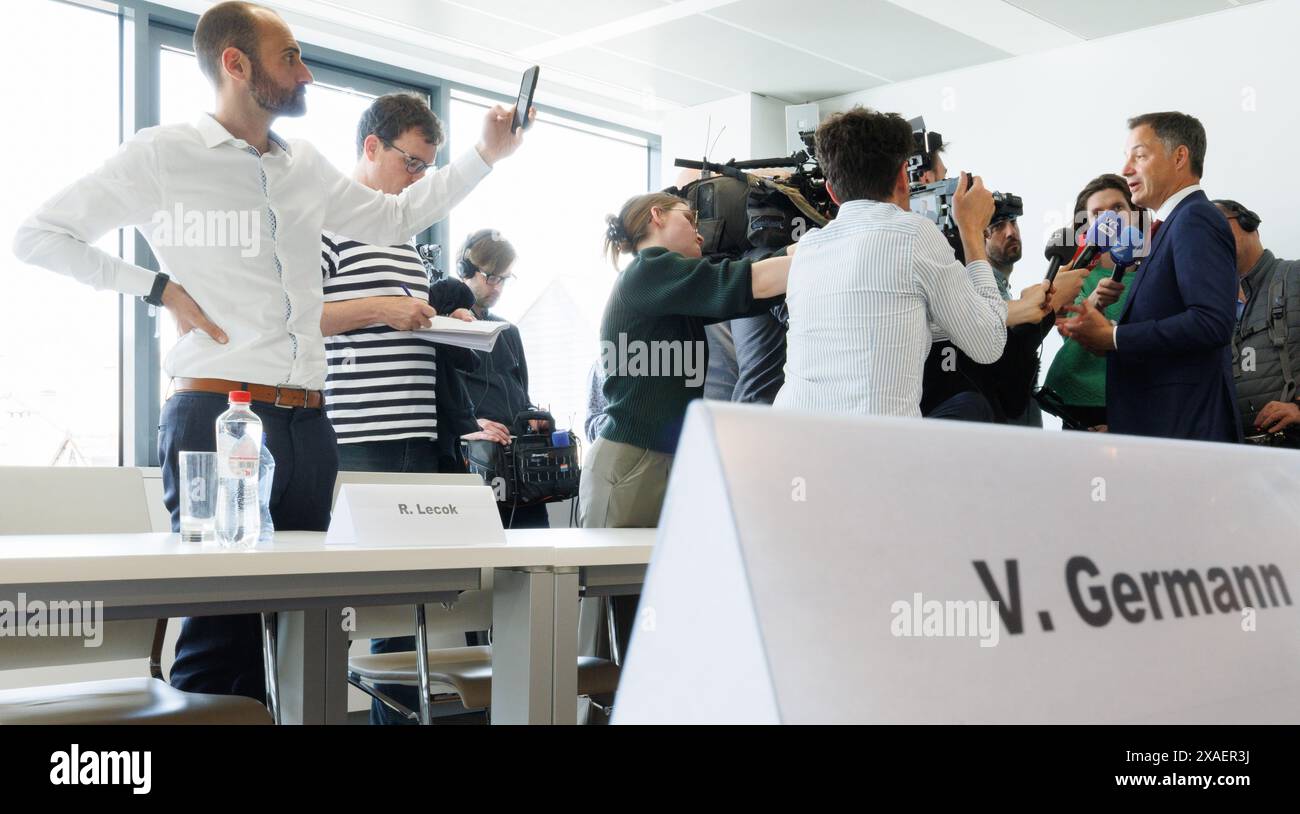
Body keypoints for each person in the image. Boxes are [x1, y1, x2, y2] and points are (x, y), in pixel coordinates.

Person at [11, 0, 528, 702]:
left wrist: (485, 157)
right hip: (218, 415)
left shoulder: (303, 166)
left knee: (307, 627)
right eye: (290, 57)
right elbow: (39, 236)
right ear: (236, 63)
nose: (305, 71)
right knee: (221, 630)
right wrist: (157, 286)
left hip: (311, 423)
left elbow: (397, 214)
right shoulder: (164, 155)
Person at [318, 93, 483, 725]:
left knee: (405, 603)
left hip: (420, 436)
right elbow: (303, 320)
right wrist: (385, 309)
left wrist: (448, 322)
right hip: (362, 437)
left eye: (426, 170)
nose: (417, 181)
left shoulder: (406, 240)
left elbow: (406, 325)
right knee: (354, 600)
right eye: (410, 164)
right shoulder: (329, 227)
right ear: (370, 147)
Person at [774, 106, 1041, 418]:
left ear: (832, 192)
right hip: (873, 447)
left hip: (792, 431)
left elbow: (898, 318)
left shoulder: (807, 248)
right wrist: (970, 231)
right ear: (904, 177)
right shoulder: (915, 234)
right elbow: (988, 344)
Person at [1060, 112, 1240, 442]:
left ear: (1180, 157)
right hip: (1163, 426)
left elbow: (1211, 322)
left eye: (1139, 156)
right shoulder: (1173, 224)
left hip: (1185, 430)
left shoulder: (1195, 218)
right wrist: (1101, 335)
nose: (1126, 169)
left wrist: (1114, 337)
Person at [455, 229, 550, 529]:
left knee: (536, 552)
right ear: (465, 270)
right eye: (491, 277)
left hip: (517, 467)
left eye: (504, 279)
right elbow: (436, 399)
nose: (497, 287)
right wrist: (474, 425)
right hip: (472, 463)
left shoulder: (508, 331)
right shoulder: (444, 327)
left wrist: (534, 419)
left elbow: (521, 397)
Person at [1043, 174, 1143, 430]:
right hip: (1077, 405)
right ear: (1086, 226)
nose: (1110, 218)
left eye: (1118, 208)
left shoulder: (1155, 276)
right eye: (1098, 213)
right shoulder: (1071, 275)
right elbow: (1064, 326)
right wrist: (1095, 301)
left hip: (1137, 403)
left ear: (1135, 214)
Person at [1212, 199, 1300, 445]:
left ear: (1249, 225)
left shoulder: (1295, 276)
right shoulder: (1206, 306)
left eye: (1217, 225)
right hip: (1241, 458)